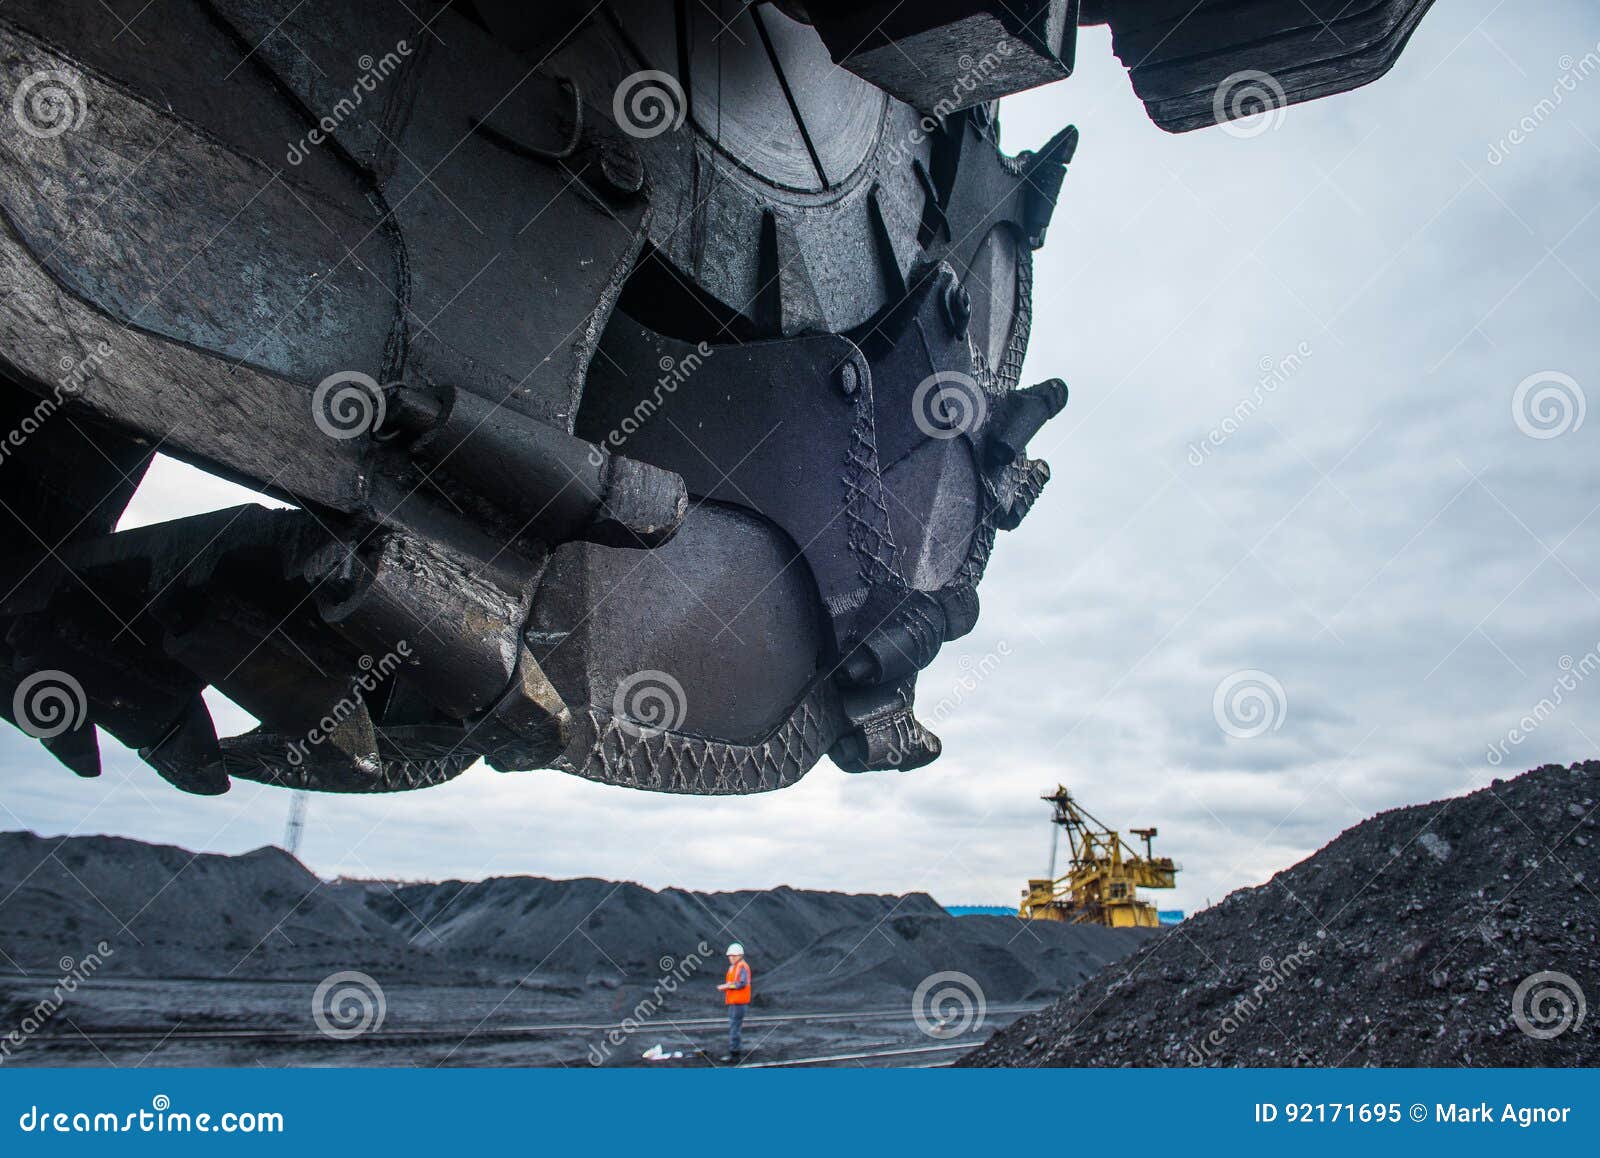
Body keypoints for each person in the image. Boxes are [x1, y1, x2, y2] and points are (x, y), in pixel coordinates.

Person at [716, 942, 751, 1062]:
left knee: (734, 1027)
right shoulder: (734, 967)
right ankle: (734, 1051)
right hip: (734, 1002)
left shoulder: (742, 967)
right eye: (730, 956)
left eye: (733, 956)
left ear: (739, 956)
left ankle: (735, 1054)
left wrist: (726, 987)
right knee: (734, 1026)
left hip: (739, 1003)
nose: (730, 958)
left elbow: (741, 983)